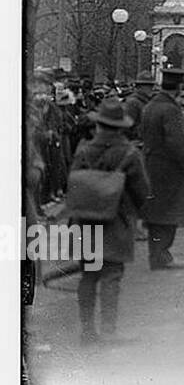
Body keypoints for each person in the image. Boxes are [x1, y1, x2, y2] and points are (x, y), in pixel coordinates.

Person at [68, 95, 151, 345]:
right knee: (112, 275)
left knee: (89, 275)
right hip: (116, 223)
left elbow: (72, 183)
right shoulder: (130, 153)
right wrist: (132, 213)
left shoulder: (84, 150)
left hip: (86, 222)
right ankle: (108, 331)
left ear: (99, 124)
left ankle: (86, 331)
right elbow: (143, 191)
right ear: (121, 127)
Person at [139, 65, 184, 270]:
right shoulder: (170, 109)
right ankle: (163, 255)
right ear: (179, 86)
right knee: (169, 214)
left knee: (156, 214)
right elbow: (177, 143)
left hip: (152, 166)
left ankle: (156, 255)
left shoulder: (151, 106)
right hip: (170, 170)